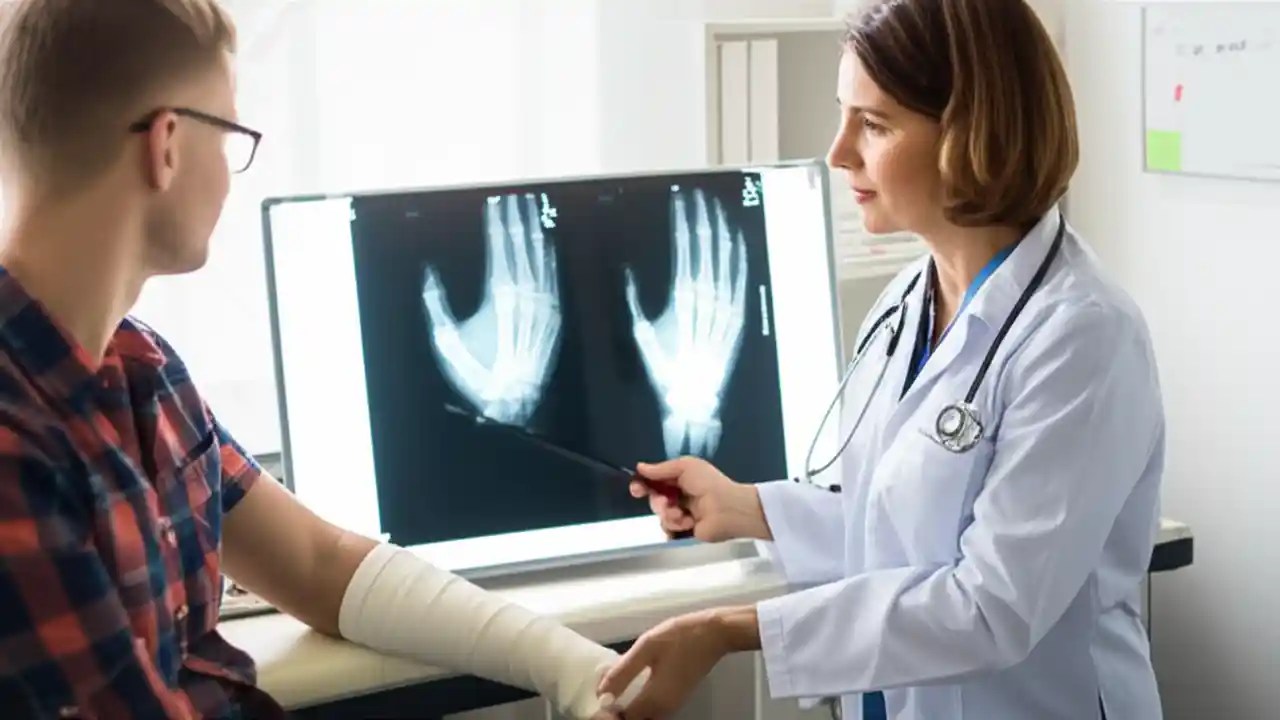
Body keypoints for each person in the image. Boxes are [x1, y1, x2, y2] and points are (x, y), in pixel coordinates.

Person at [0, 2, 641, 718]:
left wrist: (574, 667)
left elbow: (317, 563)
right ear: (167, 145)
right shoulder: (15, 451)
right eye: (231, 135)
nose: (231, 173)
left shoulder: (143, 371)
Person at [600, 1, 1164, 719]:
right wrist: (744, 507)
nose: (838, 152)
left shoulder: (1083, 337)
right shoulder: (907, 300)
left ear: (972, 134)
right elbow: (896, 526)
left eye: (873, 124)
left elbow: (990, 606)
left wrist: (731, 631)